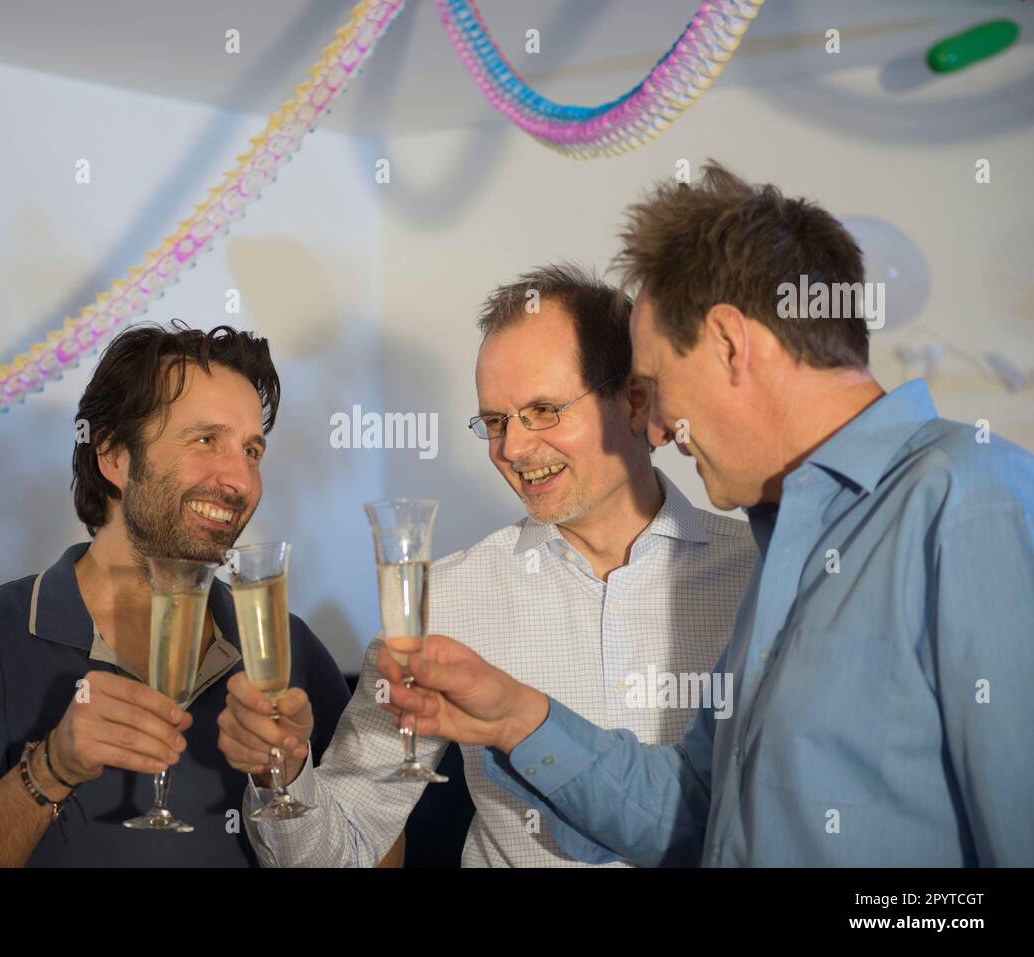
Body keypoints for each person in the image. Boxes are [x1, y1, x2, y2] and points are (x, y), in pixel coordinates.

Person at [378, 163, 1034, 866]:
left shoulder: (970, 501)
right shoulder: (787, 544)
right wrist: (516, 716)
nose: (655, 428)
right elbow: (694, 807)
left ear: (729, 344)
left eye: (655, 384)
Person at [218, 264, 756, 866]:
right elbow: (342, 849)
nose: (514, 449)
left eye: (544, 410)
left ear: (633, 402)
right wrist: (285, 775)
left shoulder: (762, 577)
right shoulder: (444, 600)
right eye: (496, 422)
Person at [0, 322, 351, 866]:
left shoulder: (290, 652)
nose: (241, 480)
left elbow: (378, 854)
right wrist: (51, 770)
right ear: (112, 456)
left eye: (252, 450)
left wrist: (288, 777)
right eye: (207, 440)